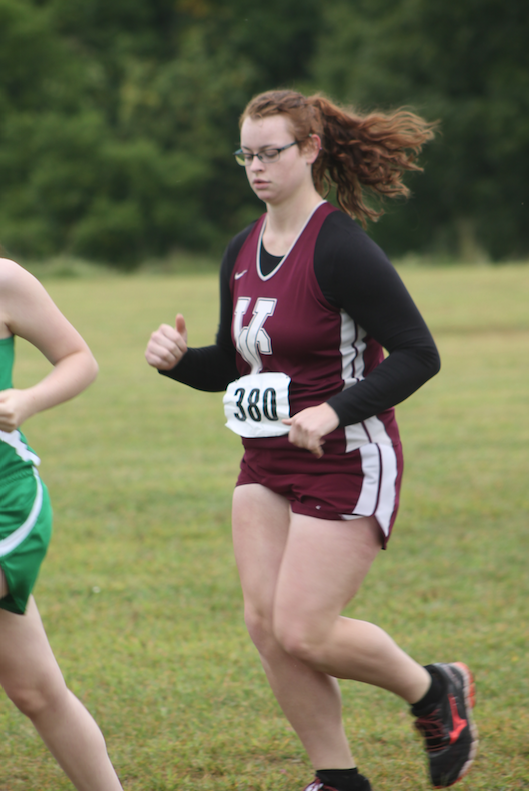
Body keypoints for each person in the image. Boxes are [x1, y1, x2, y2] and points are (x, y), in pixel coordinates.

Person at [145, 89, 478, 790]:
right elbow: (237, 365)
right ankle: (337, 778)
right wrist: (180, 362)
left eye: (271, 153)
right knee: (267, 628)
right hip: (264, 460)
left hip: (346, 458)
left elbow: (419, 353)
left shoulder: (342, 248)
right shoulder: (240, 248)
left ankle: (433, 689)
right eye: (246, 154)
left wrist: (332, 411)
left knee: (304, 628)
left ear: (309, 150)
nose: (256, 168)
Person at [0, 258, 123, 791]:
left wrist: (27, 399)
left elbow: (79, 359)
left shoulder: (4, 280)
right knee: (36, 691)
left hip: (4, 501)